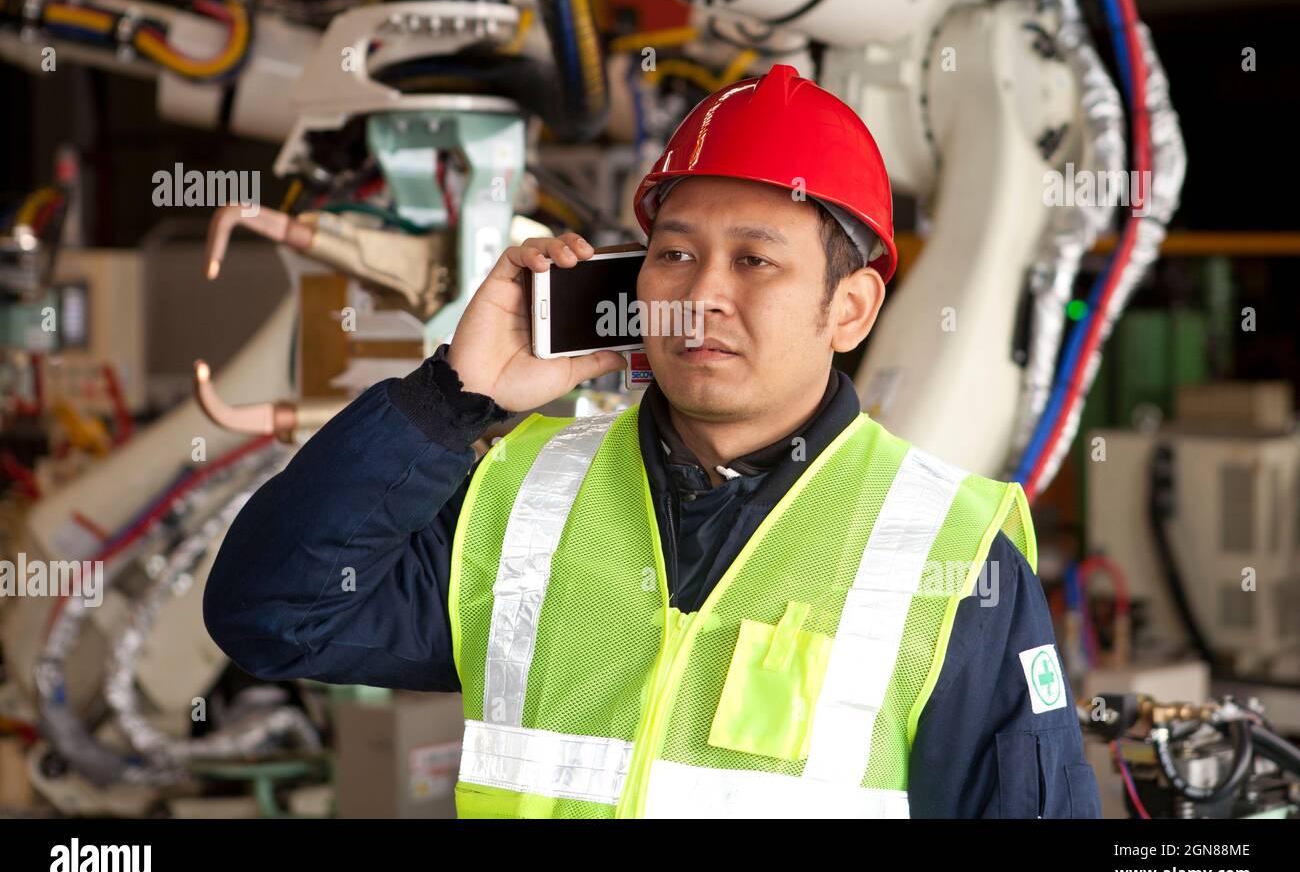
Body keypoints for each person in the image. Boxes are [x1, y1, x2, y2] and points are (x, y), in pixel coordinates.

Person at [204, 63, 1101, 819]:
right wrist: (454, 396)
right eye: (674, 253)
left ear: (851, 307)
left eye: (754, 260)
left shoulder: (947, 555)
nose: (702, 293)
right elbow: (270, 615)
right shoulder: (524, 500)